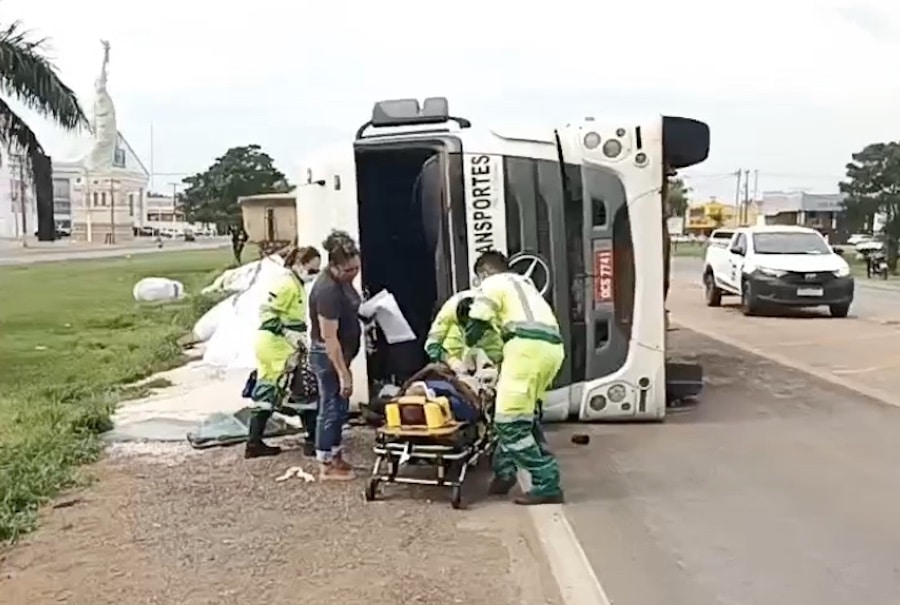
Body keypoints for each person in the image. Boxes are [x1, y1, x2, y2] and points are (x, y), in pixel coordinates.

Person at [466, 250, 565, 505]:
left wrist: (469, 344)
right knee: (524, 417)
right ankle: (505, 472)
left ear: (484, 273)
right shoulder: (524, 284)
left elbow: (477, 321)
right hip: (551, 350)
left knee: (509, 423)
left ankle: (546, 482)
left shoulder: (491, 284)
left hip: (525, 349)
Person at [245, 245, 321, 458]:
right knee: (298, 388)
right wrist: (287, 333)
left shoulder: (295, 284)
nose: (313, 275)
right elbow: (266, 312)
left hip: (282, 343)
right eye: (312, 270)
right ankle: (310, 440)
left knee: (285, 388)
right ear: (298, 264)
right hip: (276, 343)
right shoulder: (286, 284)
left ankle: (256, 443)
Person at [308, 230, 363, 480]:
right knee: (331, 404)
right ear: (334, 266)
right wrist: (344, 374)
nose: (353, 273)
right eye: (348, 270)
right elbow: (330, 338)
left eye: (356, 268)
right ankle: (326, 463)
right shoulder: (327, 291)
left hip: (344, 351)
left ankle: (336, 453)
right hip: (329, 355)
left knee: (340, 407)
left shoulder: (343, 282)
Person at [424, 290, 504, 367]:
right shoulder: (447, 312)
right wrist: (451, 361)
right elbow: (431, 345)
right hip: (454, 365)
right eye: (464, 323)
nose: (467, 329)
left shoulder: (492, 311)